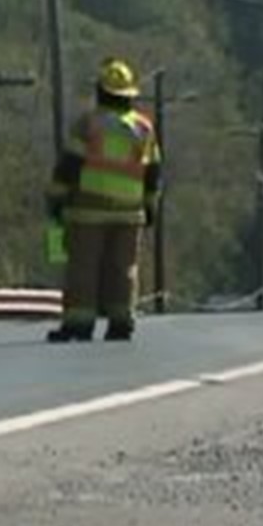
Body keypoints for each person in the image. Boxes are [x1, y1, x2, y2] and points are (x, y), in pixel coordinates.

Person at [46, 57, 163, 343]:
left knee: (83, 267)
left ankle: (79, 324)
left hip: (88, 210)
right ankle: (122, 322)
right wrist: (150, 206)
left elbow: (70, 165)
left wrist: (56, 199)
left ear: (101, 91)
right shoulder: (143, 128)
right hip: (129, 212)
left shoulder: (89, 124)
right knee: (123, 269)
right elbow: (153, 173)